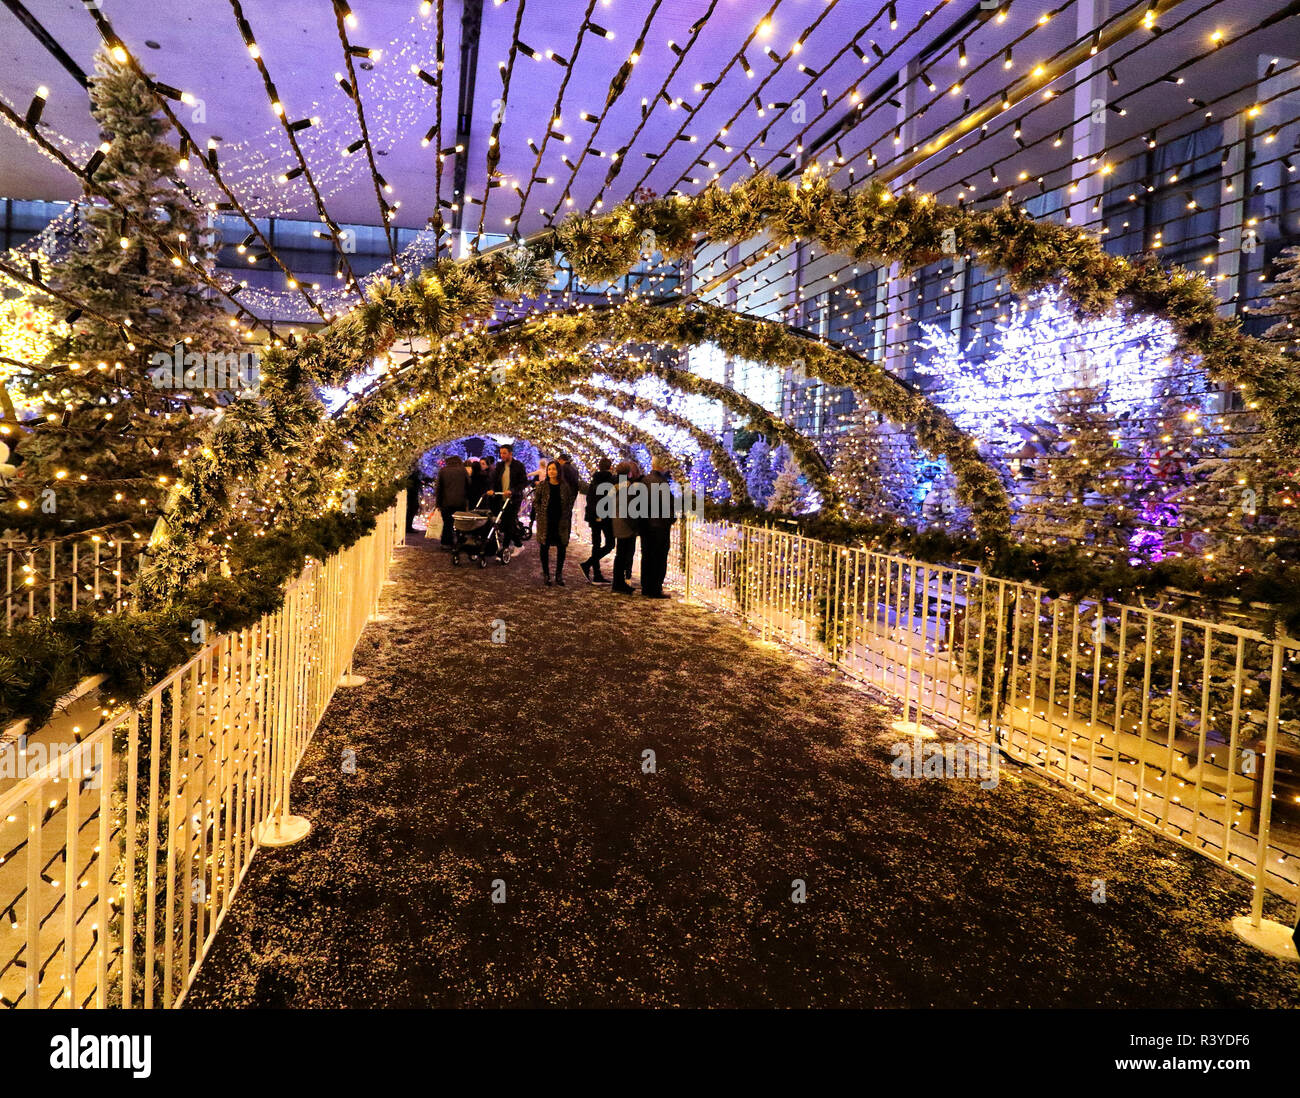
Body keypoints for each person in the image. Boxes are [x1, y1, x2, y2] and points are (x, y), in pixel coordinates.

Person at [533, 460, 576, 586]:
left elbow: (569, 502)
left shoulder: (565, 487)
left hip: (561, 521)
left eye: (554, 469)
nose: (551, 471)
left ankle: (559, 574)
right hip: (546, 521)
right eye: (549, 469)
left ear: (558, 471)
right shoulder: (542, 486)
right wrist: (540, 512)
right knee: (544, 547)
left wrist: (566, 515)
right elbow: (537, 502)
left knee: (561, 547)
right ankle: (546, 574)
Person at [638, 455, 675, 599]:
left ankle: (646, 586)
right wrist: (671, 519)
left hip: (646, 525)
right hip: (659, 526)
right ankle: (655, 588)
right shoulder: (662, 482)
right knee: (659, 558)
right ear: (662, 466)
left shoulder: (645, 480)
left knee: (646, 556)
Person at [579, 457, 616, 584]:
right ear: (610, 467)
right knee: (610, 543)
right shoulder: (611, 481)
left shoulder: (594, 479)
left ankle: (597, 573)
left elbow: (590, 497)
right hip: (604, 516)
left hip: (593, 516)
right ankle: (589, 565)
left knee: (596, 544)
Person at [485, 443, 528, 547]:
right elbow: (494, 480)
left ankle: (505, 548)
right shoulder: (500, 466)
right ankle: (518, 544)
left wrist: (512, 491)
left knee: (509, 523)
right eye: (501, 453)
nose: (502, 455)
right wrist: (491, 490)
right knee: (504, 525)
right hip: (502, 499)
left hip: (514, 500)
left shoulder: (518, 466)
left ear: (510, 453)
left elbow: (523, 482)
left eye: (504, 453)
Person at [609, 460, 639, 595]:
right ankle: (618, 583)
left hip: (617, 523)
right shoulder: (628, 487)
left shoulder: (614, 486)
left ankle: (618, 582)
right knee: (624, 555)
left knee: (620, 554)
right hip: (626, 525)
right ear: (629, 473)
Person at [434, 455, 470, 549]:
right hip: (460, 502)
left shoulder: (443, 471)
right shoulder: (462, 471)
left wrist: (438, 503)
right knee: (459, 523)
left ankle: (446, 542)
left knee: (447, 523)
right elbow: (468, 484)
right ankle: (460, 542)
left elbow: (439, 488)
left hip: (446, 502)